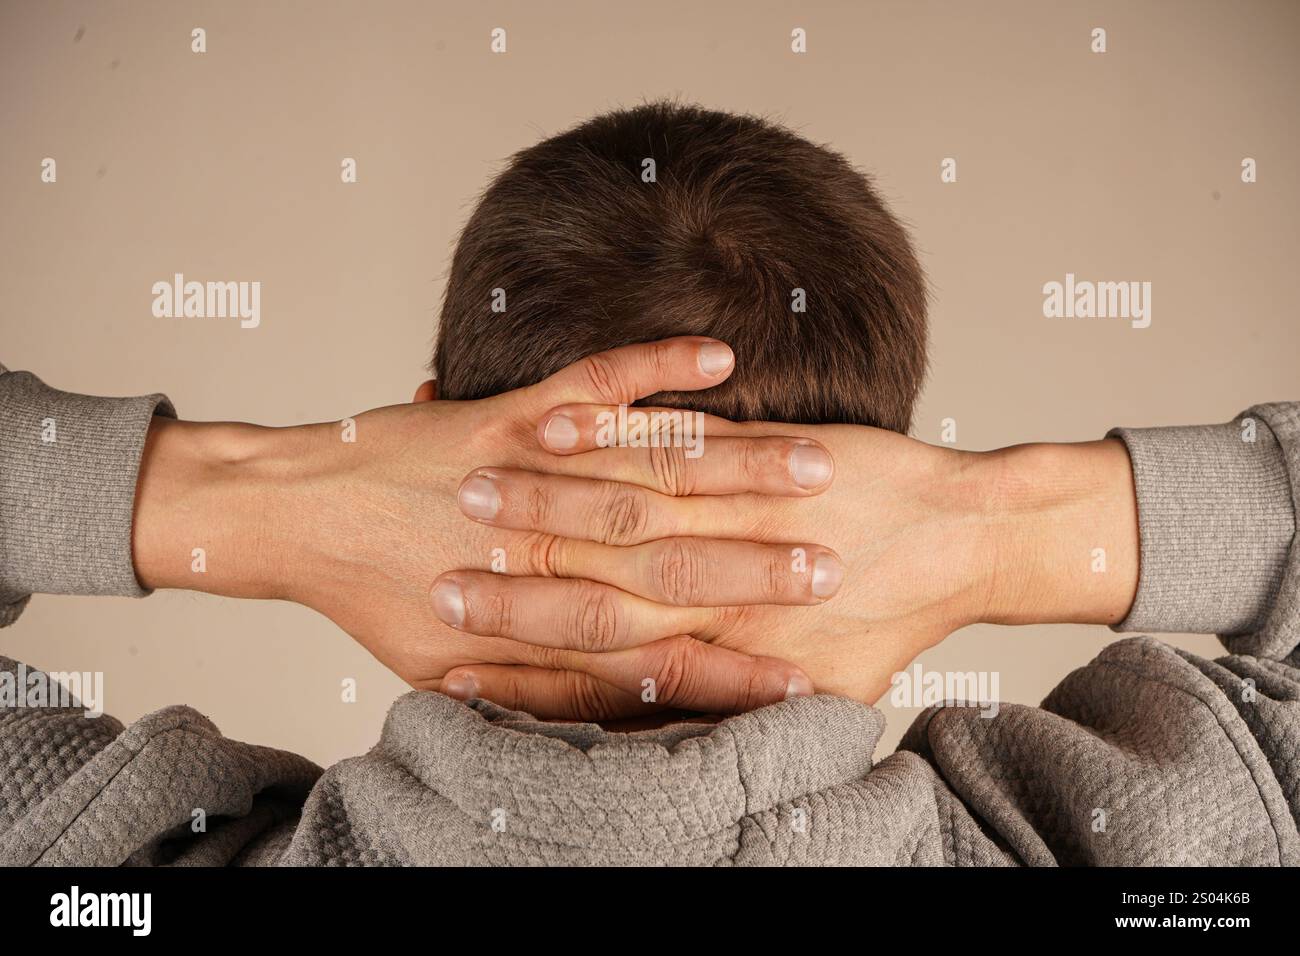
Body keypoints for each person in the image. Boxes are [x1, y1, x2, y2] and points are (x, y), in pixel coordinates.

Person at [1, 104, 1296, 865]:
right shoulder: (1168, 842)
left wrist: (264, 500)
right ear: (885, 477)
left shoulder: (108, 867)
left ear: (425, 443)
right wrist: (995, 528)